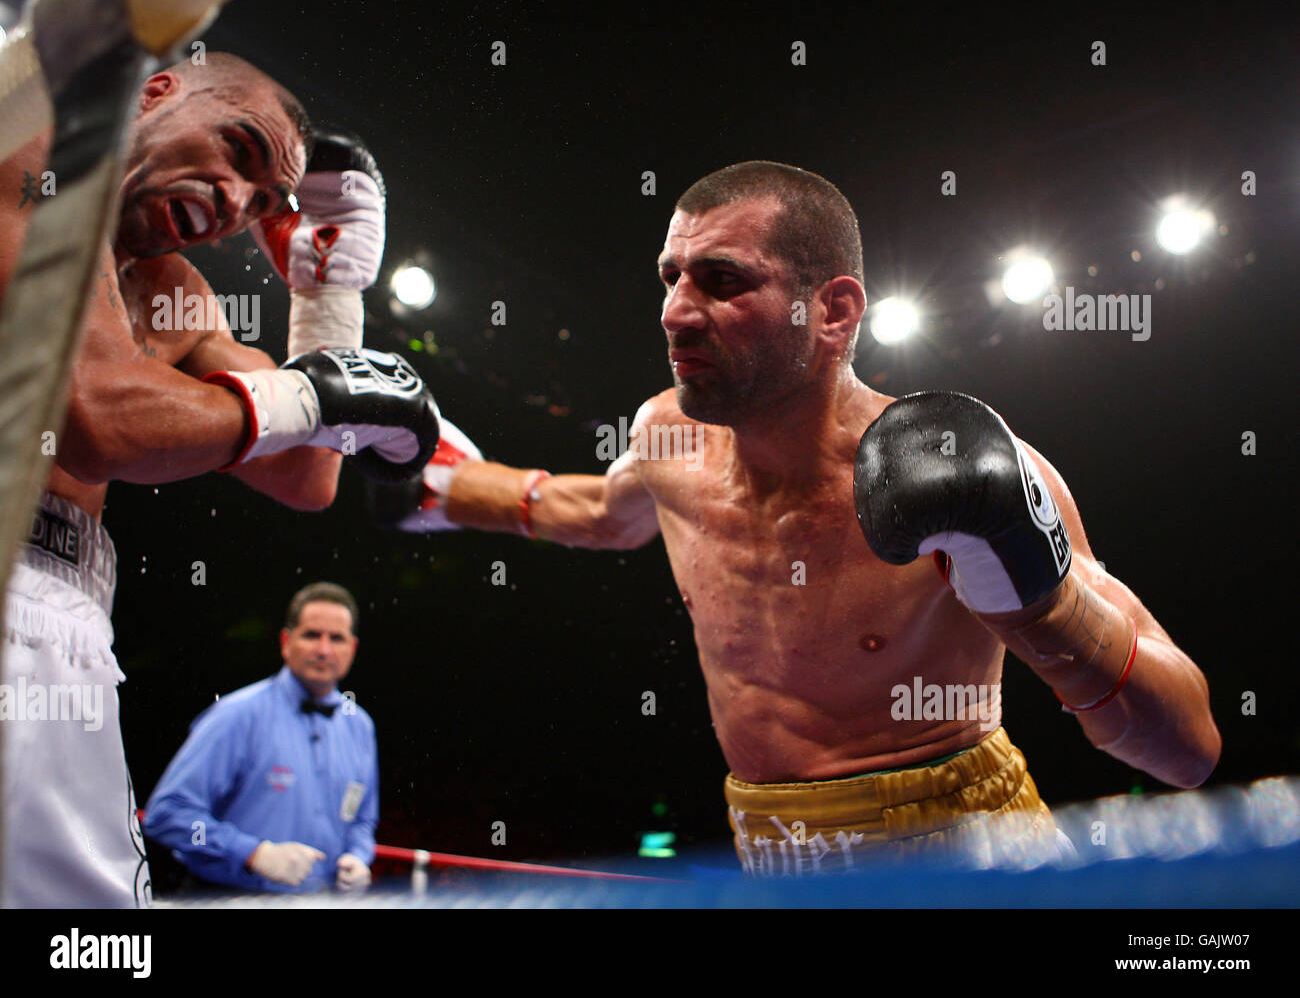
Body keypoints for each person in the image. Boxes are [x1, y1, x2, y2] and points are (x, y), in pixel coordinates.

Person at [377, 161, 1221, 874]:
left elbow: (1186, 751)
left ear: (833, 311)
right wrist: (443, 487)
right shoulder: (665, 436)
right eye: (671, 277)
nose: (674, 310)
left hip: (960, 844)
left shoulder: (961, 466)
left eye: (723, 280)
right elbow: (602, 511)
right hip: (767, 852)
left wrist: (1046, 602)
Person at [0, 50, 436, 907]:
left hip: (69, 617)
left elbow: (308, 472)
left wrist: (327, 297)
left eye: (266, 203)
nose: (239, 204)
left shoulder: (177, 294)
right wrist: (311, 393)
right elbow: (98, 415)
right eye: (238, 152)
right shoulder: (35, 154)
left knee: (89, 937)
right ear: (157, 91)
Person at [144, 583, 377, 893]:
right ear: (285, 641)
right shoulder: (236, 715)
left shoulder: (359, 725)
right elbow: (167, 813)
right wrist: (252, 853)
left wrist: (359, 857)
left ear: (352, 648)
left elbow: (361, 820)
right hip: (228, 899)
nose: (324, 650)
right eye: (311, 635)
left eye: (336, 638)